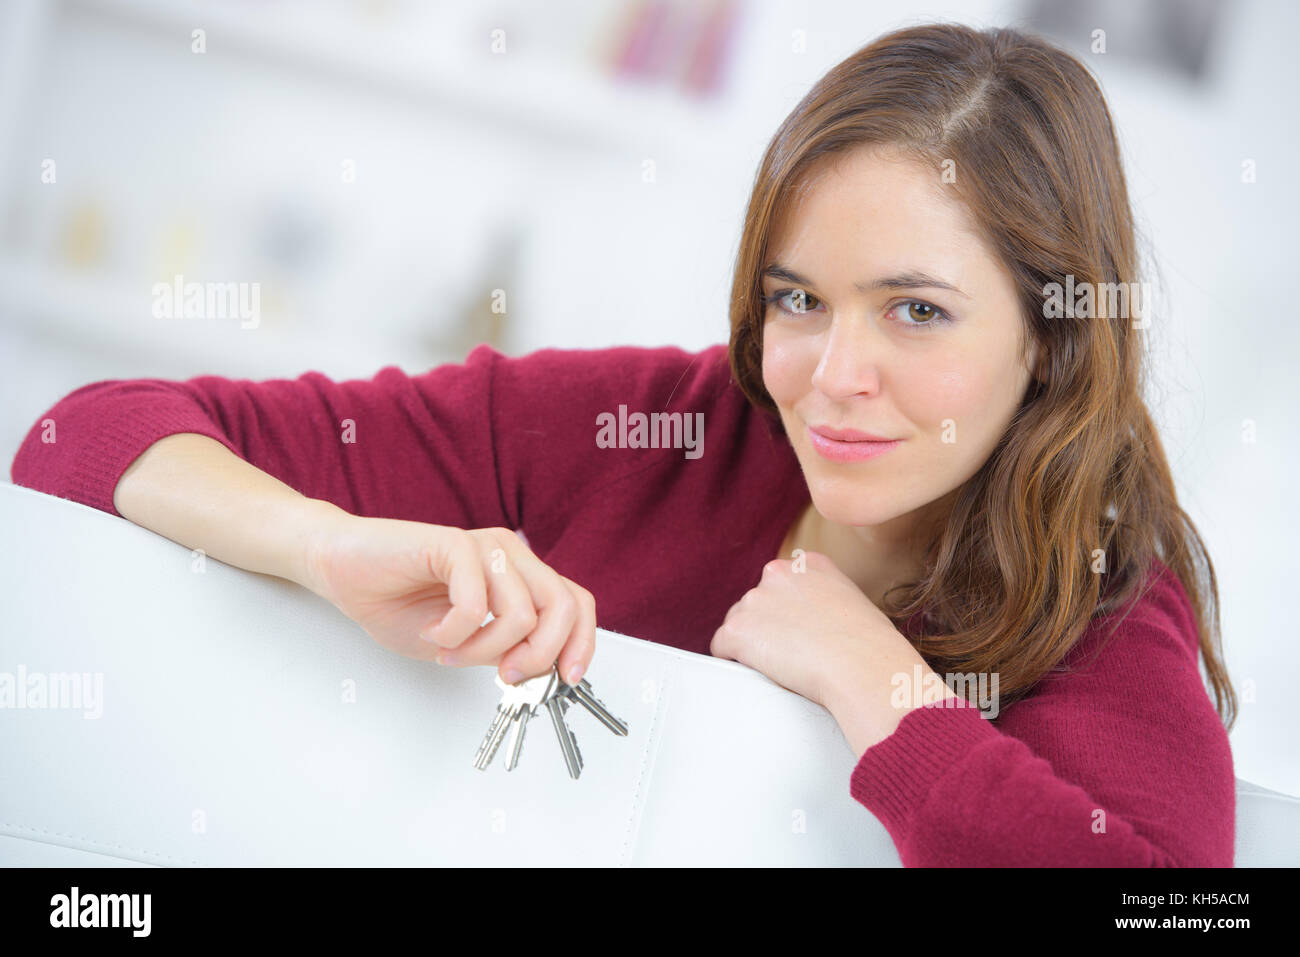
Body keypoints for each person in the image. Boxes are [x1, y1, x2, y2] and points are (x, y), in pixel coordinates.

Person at [10, 22, 1236, 866]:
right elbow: (82, 437)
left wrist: (876, 680)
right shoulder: (658, 427)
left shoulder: (1096, 594)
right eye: (798, 299)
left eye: (916, 311)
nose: (830, 377)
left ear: (1051, 337)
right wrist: (329, 546)